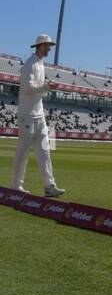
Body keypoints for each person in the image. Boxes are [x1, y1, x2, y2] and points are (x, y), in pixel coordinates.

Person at [11, 34, 66, 197]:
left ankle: (49, 186)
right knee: (23, 152)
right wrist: (46, 87)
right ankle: (16, 186)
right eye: (47, 46)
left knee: (45, 151)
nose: (49, 48)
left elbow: (38, 88)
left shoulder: (41, 64)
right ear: (40, 46)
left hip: (38, 114)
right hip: (27, 115)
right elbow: (28, 88)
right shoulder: (30, 64)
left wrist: (47, 87)